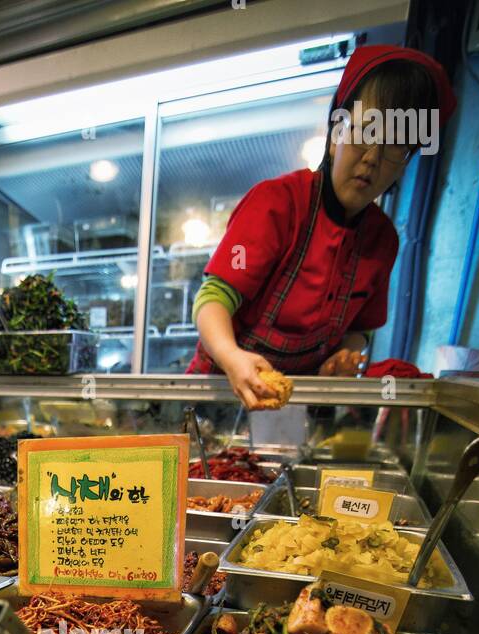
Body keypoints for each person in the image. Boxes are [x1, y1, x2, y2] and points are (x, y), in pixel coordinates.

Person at [187, 45, 457, 408]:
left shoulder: (383, 242)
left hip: (298, 409)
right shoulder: (277, 203)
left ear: (405, 163)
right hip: (220, 394)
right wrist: (232, 357)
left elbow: (359, 330)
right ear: (335, 137)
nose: (373, 158)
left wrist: (347, 356)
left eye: (395, 145)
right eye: (364, 132)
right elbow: (212, 298)